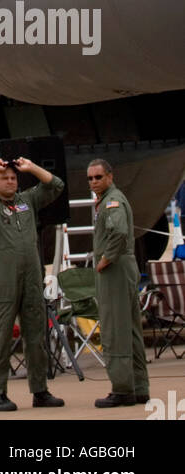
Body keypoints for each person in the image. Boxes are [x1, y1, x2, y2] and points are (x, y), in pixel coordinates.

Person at [0, 156, 65, 412]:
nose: (10, 181)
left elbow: (56, 186)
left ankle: (40, 391)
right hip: (3, 281)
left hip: (31, 279)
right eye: (4, 177)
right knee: (0, 339)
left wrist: (32, 167)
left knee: (36, 336)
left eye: (13, 178)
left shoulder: (26, 200)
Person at [88, 159, 150, 408]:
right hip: (125, 268)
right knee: (131, 329)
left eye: (98, 177)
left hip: (115, 269)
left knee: (115, 329)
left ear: (110, 177)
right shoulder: (108, 199)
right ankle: (138, 387)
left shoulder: (112, 201)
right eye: (90, 178)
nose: (94, 182)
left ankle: (122, 388)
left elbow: (120, 232)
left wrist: (105, 259)